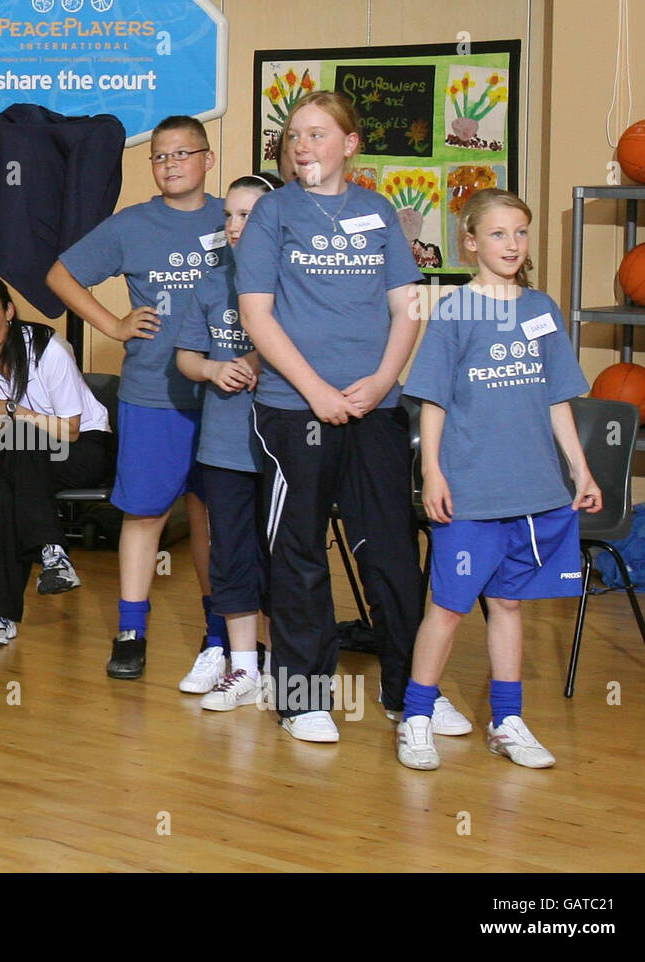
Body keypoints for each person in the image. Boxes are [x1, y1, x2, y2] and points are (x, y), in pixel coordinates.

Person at [235, 90, 468, 742]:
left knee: (393, 552)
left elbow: (407, 308)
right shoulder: (272, 216)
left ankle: (409, 693)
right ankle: (303, 697)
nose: (303, 146)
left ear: (349, 144)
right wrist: (316, 392)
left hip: (376, 409)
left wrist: (385, 380)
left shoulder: (378, 211)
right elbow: (257, 315)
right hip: (294, 411)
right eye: (294, 137)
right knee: (300, 552)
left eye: (317, 134)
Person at [398, 189, 600, 770]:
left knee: (508, 605)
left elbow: (560, 399)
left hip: (534, 491)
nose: (512, 245)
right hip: (470, 492)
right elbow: (431, 403)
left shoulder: (542, 309)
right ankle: (417, 715)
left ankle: (507, 721)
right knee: (449, 607)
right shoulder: (454, 312)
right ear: (470, 242)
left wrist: (579, 471)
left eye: (520, 233)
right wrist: (433, 473)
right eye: (498, 234)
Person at [46, 115, 226, 683]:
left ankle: (219, 633)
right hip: (154, 397)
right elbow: (61, 275)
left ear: (207, 160)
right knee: (145, 514)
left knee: (212, 518)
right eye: (160, 157)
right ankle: (131, 631)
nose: (171, 164)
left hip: (225, 398)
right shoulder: (131, 225)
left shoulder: (236, 218)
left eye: (182, 154)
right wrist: (114, 325)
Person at [0, 274, 114, 646]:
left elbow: (70, 430)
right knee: (15, 456)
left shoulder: (47, 348)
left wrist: (9, 408)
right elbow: (0, 434)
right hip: (24, 453)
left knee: (12, 487)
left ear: (8, 311)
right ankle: (53, 554)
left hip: (83, 446)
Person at [174, 173, 279, 707]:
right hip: (224, 445)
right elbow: (186, 356)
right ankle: (243, 667)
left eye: (248, 215)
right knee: (231, 553)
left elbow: (306, 339)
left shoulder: (296, 279)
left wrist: (257, 359)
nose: (235, 227)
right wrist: (214, 371)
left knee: (284, 557)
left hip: (283, 447)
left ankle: (286, 662)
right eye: (230, 216)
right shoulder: (212, 282)